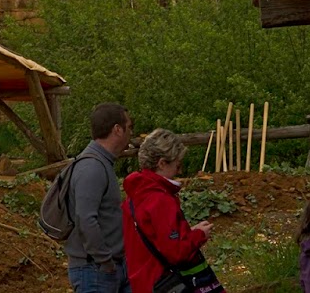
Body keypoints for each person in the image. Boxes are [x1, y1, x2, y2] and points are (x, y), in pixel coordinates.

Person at [122, 128, 218, 293]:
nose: (179, 171)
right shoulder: (160, 200)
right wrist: (199, 236)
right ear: (161, 163)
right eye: (177, 165)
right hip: (165, 283)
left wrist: (186, 233)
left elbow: (156, 240)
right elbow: (176, 253)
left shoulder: (133, 198)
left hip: (142, 283)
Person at [66, 102, 134, 293]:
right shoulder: (92, 168)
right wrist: (105, 261)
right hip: (94, 272)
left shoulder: (102, 163)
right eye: (129, 127)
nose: (131, 133)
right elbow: (85, 219)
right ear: (117, 130)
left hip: (106, 268)